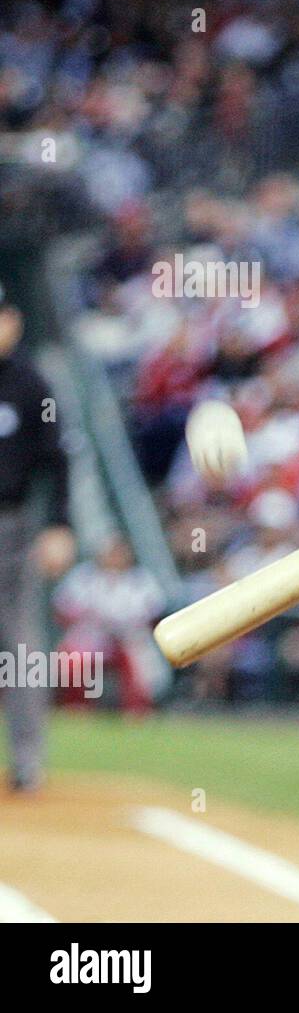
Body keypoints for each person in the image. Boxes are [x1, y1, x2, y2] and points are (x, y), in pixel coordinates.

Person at [0, 285, 76, 792]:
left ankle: (27, 761)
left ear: (13, 322)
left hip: (12, 527)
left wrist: (59, 526)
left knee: (21, 645)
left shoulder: (31, 386)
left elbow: (58, 460)